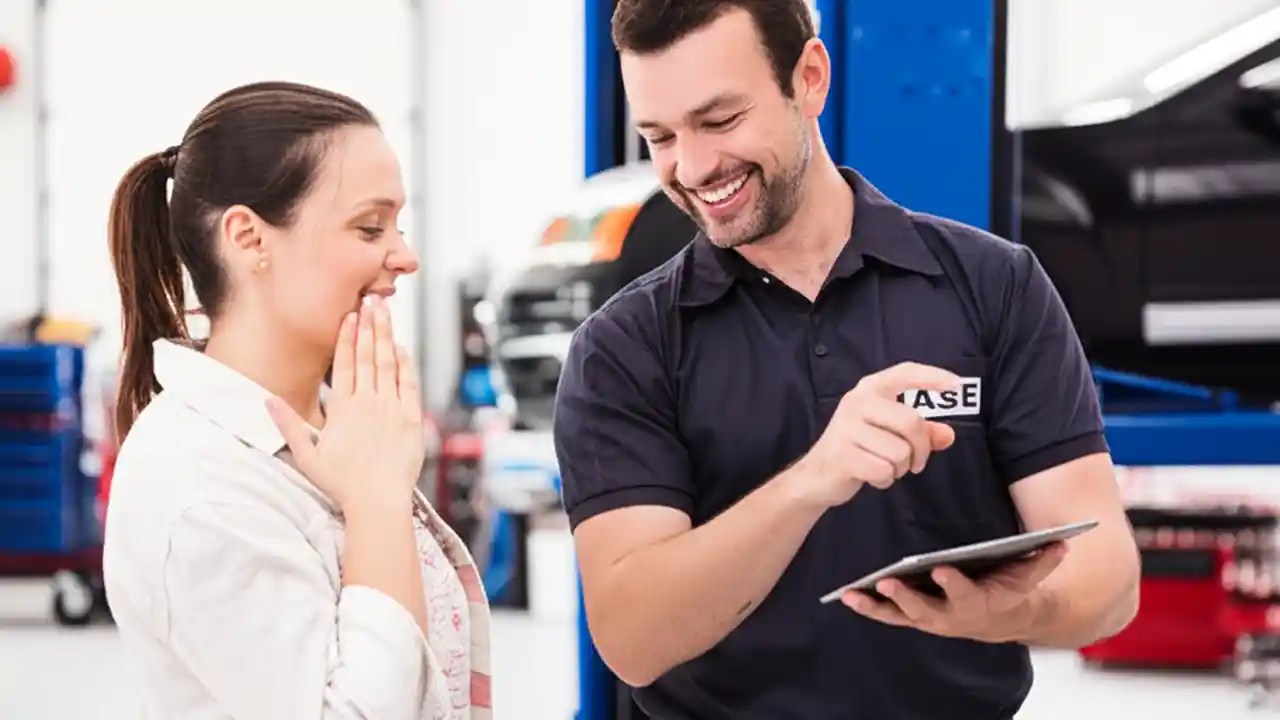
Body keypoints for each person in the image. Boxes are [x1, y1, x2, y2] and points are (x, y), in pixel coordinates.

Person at [552, 2, 1142, 718]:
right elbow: (632, 639)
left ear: (809, 78)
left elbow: (1108, 578)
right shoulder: (624, 348)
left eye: (720, 120)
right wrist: (812, 483)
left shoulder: (993, 287)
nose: (695, 166)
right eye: (661, 136)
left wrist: (1010, 612)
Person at [101, 81, 491, 720]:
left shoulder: (342, 425)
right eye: (369, 228)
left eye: (398, 225)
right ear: (250, 239)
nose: (406, 257)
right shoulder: (199, 488)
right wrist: (376, 503)